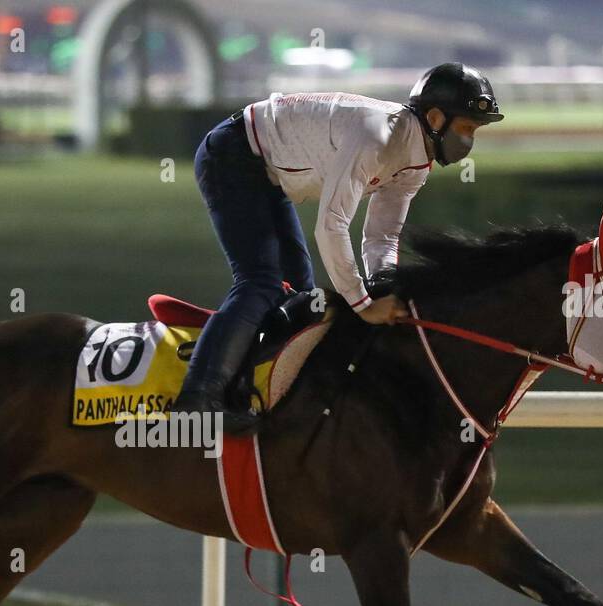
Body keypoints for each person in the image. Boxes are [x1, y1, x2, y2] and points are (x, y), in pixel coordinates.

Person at [175, 62, 504, 431]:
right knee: (261, 281)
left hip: (264, 168)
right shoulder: (377, 137)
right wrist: (363, 304)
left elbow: (382, 237)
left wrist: (384, 287)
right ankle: (197, 400)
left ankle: (236, 373)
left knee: (298, 296)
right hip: (232, 155)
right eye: (467, 127)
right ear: (435, 116)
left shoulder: (416, 162)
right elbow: (331, 226)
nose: (470, 140)